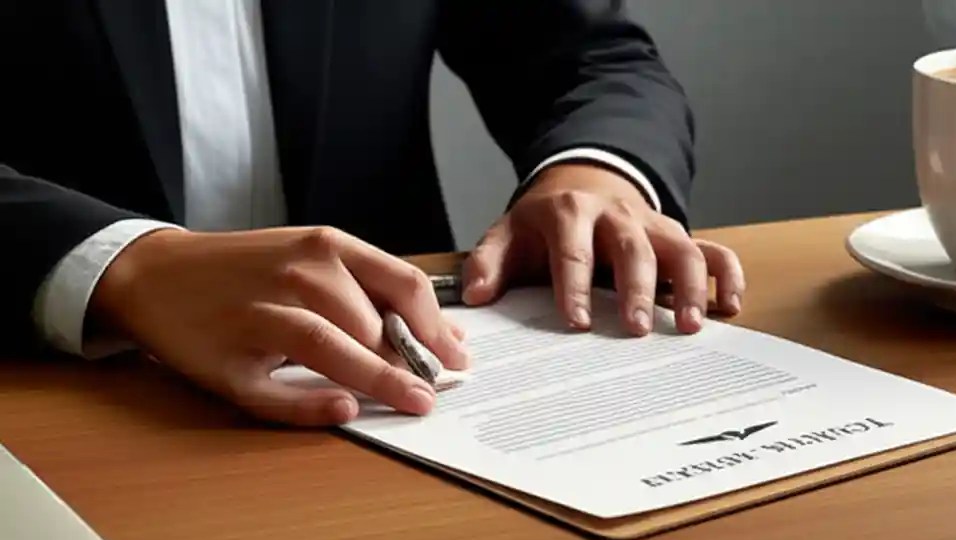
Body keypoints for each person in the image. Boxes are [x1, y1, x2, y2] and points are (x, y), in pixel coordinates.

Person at [0, 1, 746, 426]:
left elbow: (592, 56)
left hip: (406, 393)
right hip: (63, 400)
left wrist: (594, 170)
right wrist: (121, 265)